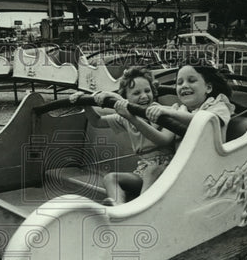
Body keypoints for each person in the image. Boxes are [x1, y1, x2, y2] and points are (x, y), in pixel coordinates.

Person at [71, 66, 176, 206]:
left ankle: (139, 208)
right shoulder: (126, 118)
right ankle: (118, 206)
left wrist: (120, 104)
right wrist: (85, 104)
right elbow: (96, 121)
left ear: (153, 91)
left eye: (147, 91)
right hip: (143, 171)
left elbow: (162, 139)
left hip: (167, 169)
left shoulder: (161, 112)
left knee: (151, 171)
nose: (144, 96)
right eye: (137, 93)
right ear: (127, 98)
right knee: (110, 178)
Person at [145, 63, 235, 147]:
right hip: (184, 162)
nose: (184, 85)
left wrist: (169, 112)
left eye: (191, 81)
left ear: (208, 88)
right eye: (179, 83)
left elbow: (206, 122)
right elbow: (164, 139)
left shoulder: (219, 106)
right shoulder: (180, 110)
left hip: (211, 161)